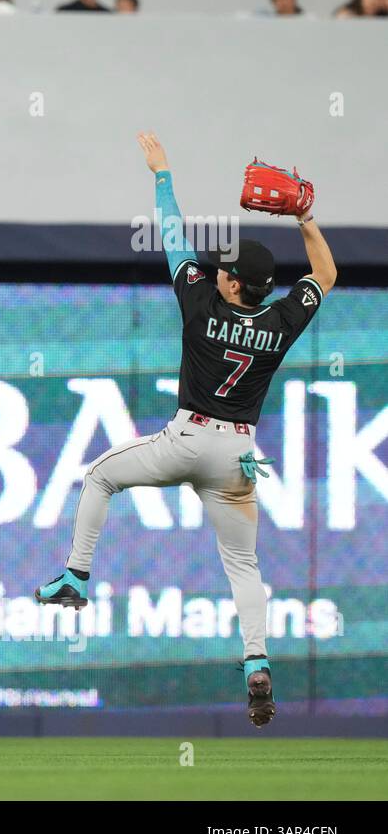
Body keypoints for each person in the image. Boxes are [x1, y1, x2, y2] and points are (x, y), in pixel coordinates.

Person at [35, 132, 337, 729]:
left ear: (230, 284)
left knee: (98, 477)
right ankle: (256, 660)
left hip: (187, 440)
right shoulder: (280, 319)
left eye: (224, 270)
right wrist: (306, 218)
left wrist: (163, 174)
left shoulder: (202, 303)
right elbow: (325, 273)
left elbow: (173, 236)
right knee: (244, 567)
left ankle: (76, 575)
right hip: (238, 457)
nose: (218, 270)